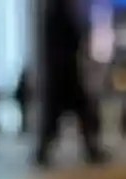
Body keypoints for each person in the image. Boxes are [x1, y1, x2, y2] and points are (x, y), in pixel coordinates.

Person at [35, 0, 107, 168]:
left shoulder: (53, 13)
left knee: (62, 116)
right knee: (76, 113)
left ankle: (44, 152)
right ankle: (89, 150)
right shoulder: (59, 15)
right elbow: (72, 41)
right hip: (65, 74)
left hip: (62, 74)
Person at [14, 68, 32, 135]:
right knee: (23, 115)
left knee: (23, 115)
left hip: (22, 102)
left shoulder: (22, 83)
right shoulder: (22, 83)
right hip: (22, 102)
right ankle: (23, 128)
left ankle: (24, 128)